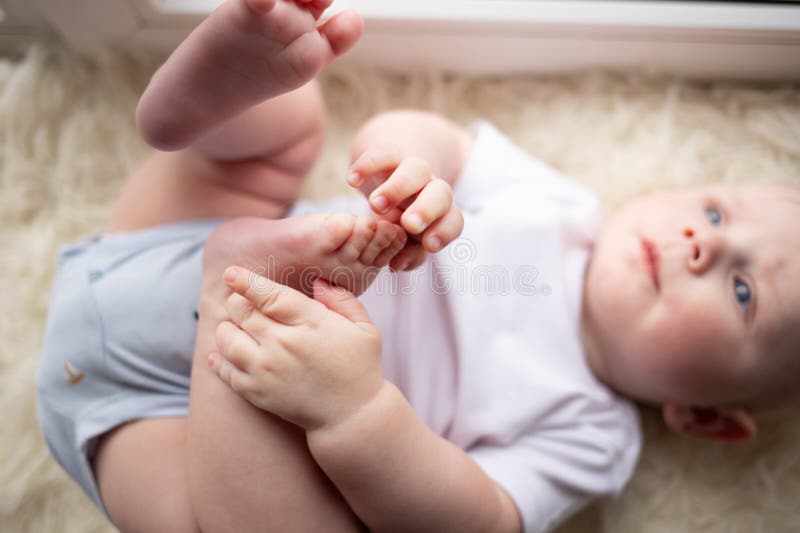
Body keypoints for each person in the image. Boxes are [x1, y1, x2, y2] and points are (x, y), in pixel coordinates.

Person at [34, 0, 800, 532]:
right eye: (715, 212)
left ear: (706, 419)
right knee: (291, 127)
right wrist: (414, 165)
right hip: (160, 240)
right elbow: (437, 136)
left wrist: (357, 411)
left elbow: (480, 519)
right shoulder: (560, 209)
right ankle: (203, 91)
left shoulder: (593, 434)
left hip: (171, 422)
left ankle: (238, 288)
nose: (703, 244)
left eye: (741, 290)